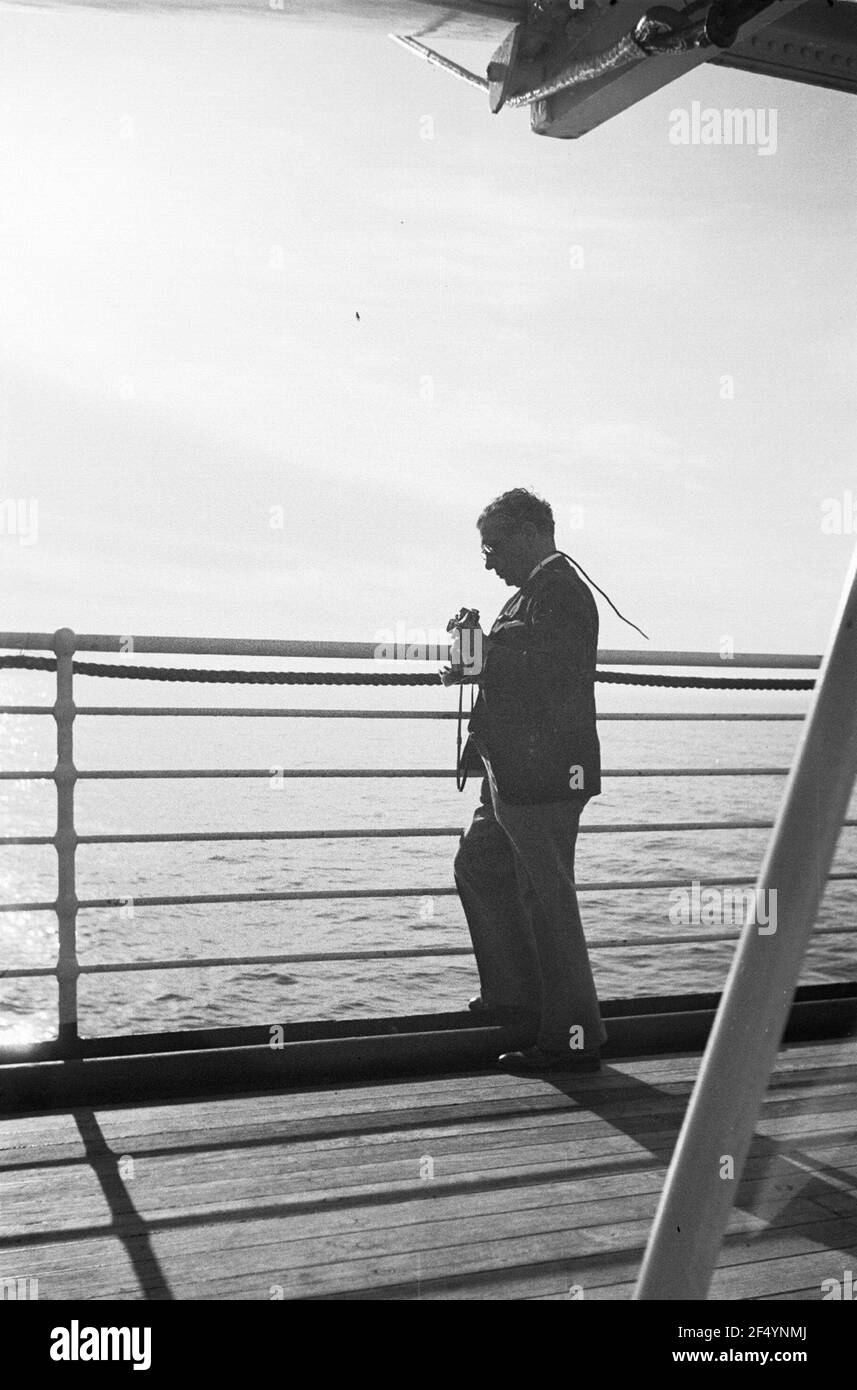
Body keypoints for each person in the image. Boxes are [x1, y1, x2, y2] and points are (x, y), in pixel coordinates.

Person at [444, 487, 607, 1074]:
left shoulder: (559, 590)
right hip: (508, 771)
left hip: (542, 774)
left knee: (548, 899)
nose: (488, 560)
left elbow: (550, 672)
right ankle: (515, 998)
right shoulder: (534, 595)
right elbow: (520, 666)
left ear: (531, 532)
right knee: (481, 866)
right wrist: (476, 654)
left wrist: (483, 650)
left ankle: (572, 1038)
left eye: (493, 545)